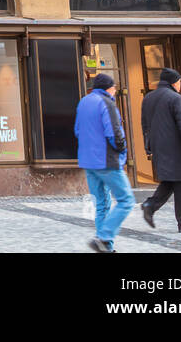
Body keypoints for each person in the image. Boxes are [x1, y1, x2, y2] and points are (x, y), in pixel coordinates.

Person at [140, 67, 181, 234]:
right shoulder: (175, 98)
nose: (180, 84)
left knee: (171, 181)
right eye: (179, 81)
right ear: (174, 82)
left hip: (159, 148)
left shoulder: (148, 98)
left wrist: (148, 148)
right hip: (176, 149)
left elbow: (145, 126)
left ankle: (150, 205)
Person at [74, 73, 134, 252]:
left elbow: (77, 130)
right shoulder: (107, 103)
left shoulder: (83, 102)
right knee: (126, 201)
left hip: (88, 162)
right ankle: (104, 237)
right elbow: (115, 134)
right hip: (106, 161)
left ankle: (106, 247)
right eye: (114, 87)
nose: (115, 90)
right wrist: (122, 151)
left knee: (101, 204)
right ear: (109, 88)